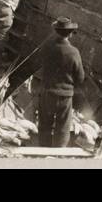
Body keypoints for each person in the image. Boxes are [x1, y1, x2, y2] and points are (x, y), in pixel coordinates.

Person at [37, 18, 85, 148]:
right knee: (63, 127)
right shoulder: (74, 52)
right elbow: (80, 78)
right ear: (70, 34)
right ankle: (58, 151)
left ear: (56, 31)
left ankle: (43, 150)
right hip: (65, 96)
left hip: (47, 93)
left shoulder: (47, 47)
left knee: (44, 125)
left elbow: (39, 62)